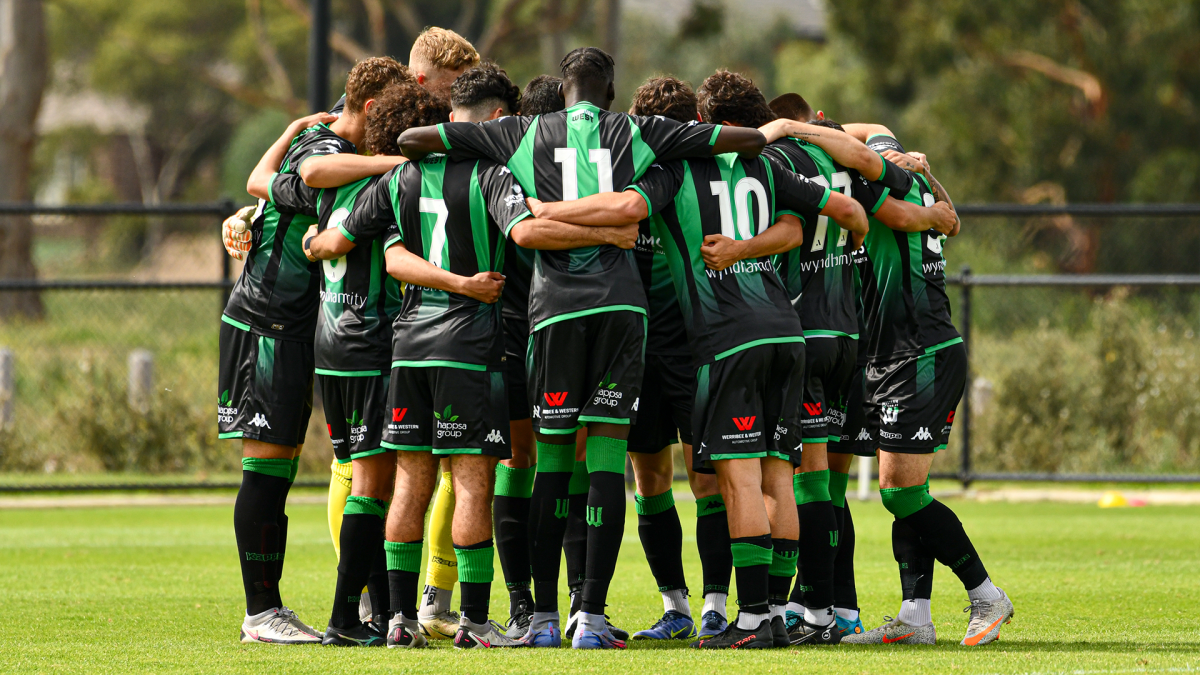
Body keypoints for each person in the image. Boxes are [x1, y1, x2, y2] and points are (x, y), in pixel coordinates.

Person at [398, 47, 768, 650]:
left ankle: (542, 617)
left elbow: (415, 140)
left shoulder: (520, 131)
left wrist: (472, 140)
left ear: (563, 89)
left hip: (556, 311)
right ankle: (589, 617)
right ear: (611, 92)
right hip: (623, 308)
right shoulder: (641, 131)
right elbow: (748, 141)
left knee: (549, 464)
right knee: (604, 465)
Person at [525, 81, 869, 647]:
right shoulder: (756, 164)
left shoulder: (667, 175)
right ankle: (761, 611)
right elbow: (831, 214)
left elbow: (629, 211)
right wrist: (835, 256)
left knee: (730, 481)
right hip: (775, 332)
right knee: (768, 475)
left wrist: (548, 209)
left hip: (716, 342)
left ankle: (744, 613)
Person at [310, 65, 638, 649]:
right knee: (472, 483)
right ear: (488, 120)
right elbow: (528, 234)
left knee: (409, 482)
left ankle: (400, 620)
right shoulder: (491, 174)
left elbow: (377, 255)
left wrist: (309, 239)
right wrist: (608, 237)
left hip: (408, 345)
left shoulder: (400, 179)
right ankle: (474, 620)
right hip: (469, 346)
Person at [221, 56, 408, 646]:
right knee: (268, 469)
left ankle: (372, 611)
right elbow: (313, 175)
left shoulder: (321, 144)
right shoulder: (324, 147)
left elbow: (257, 183)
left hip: (308, 330)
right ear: (374, 109)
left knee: (344, 468)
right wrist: (401, 160)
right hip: (266, 320)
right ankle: (261, 613)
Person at [765, 92, 958, 639]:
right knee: (835, 488)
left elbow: (888, 206)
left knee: (820, 484)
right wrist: (931, 199)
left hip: (826, 336)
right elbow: (918, 202)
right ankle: (845, 609)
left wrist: (789, 130)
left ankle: (820, 609)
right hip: (860, 343)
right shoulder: (851, 161)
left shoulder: (791, 161)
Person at [257, 77, 431, 646]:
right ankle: (342, 619)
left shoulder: (341, 174)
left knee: (362, 479)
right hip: (373, 346)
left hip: (331, 347)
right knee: (373, 488)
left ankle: (379, 616)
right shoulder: (393, 182)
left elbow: (278, 192)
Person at [828, 125, 1013, 647]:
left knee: (901, 492)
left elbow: (904, 210)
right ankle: (915, 616)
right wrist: (920, 167)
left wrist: (800, 131)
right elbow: (878, 133)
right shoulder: (915, 182)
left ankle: (986, 594)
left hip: (919, 354)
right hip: (899, 355)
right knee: (907, 492)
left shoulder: (888, 190)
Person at [616, 75, 732, 642]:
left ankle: (711, 606)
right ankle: (678, 607)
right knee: (651, 478)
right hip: (641, 353)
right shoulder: (624, 179)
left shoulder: (698, 177)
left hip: (692, 347)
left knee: (704, 478)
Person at [492, 73, 568, 639]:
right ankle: (576, 604)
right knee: (572, 462)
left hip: (508, 335)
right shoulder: (592, 168)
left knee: (517, 464)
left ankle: (525, 606)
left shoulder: (504, 167)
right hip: (554, 329)